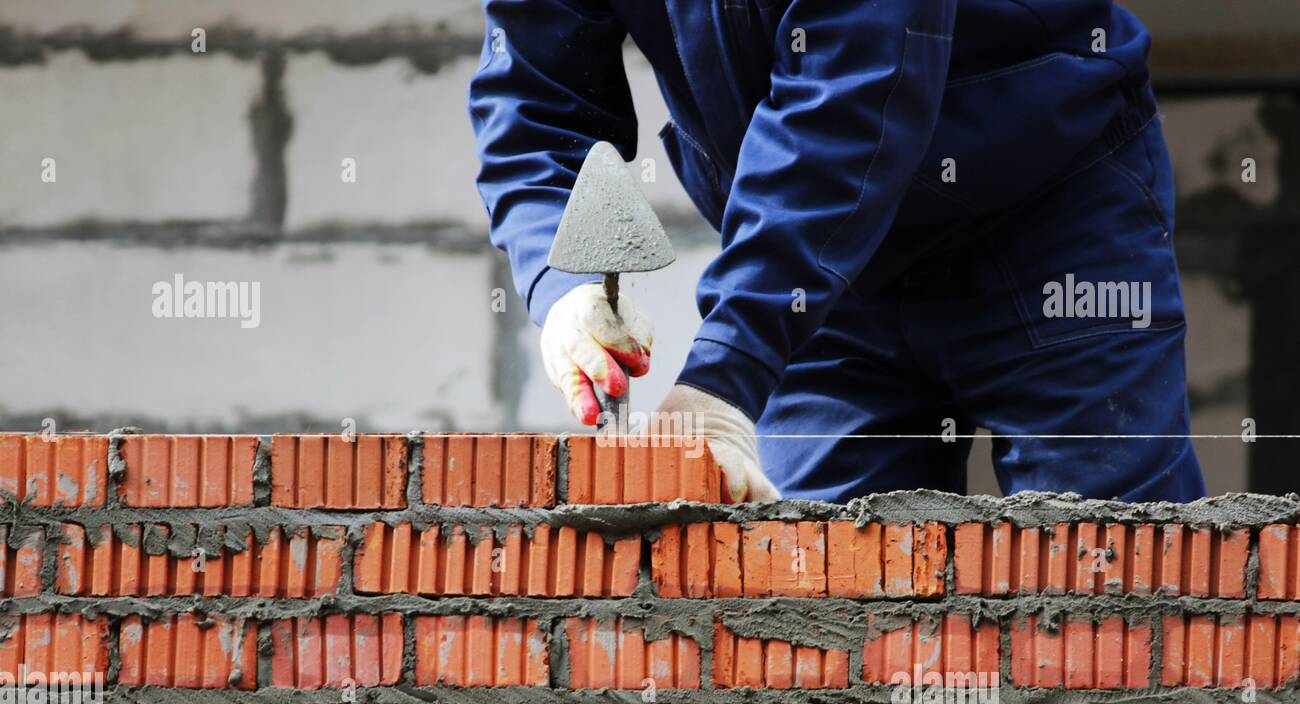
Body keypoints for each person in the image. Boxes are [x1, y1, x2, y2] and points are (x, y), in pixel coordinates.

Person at [468, 0, 1207, 504]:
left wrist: (727, 376)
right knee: (812, 622)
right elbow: (536, 105)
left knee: (1117, 593)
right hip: (819, 286)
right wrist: (562, 283)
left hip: (1049, 219)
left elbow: (851, 104)